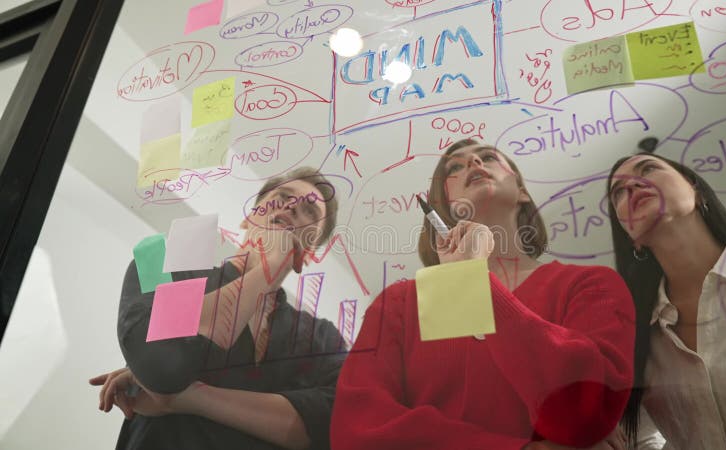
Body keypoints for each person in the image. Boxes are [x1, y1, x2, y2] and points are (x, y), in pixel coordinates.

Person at [330, 139, 636, 449]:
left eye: (487, 157)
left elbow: (585, 414)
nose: (474, 163)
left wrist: (475, 282)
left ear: (522, 191)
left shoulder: (591, 285)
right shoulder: (399, 303)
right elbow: (358, 430)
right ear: (444, 205)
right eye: (455, 167)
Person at [89, 167, 346, 450]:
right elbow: (162, 366)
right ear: (249, 217)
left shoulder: (322, 339)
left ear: (307, 254)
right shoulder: (161, 260)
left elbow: (334, 424)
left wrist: (186, 398)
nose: (292, 207)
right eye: (283, 196)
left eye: (309, 211)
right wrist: (269, 269)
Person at [605, 147, 726, 450]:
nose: (631, 186)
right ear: (632, 238)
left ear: (697, 192)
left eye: (648, 170)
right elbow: (641, 437)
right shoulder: (636, 335)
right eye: (618, 191)